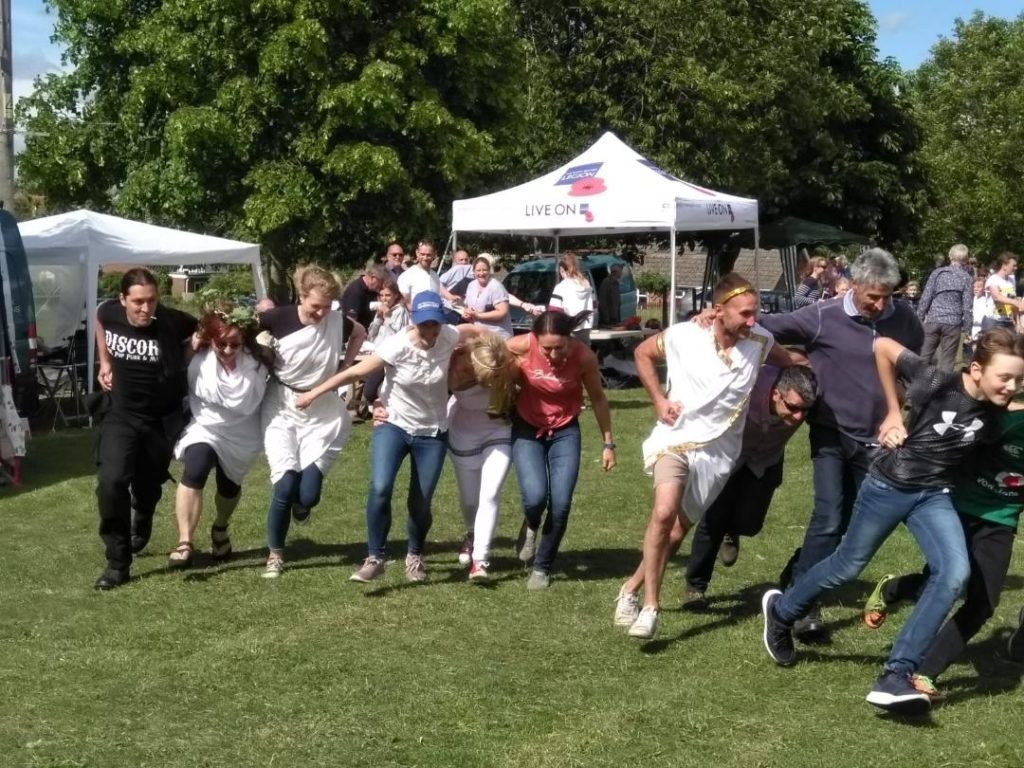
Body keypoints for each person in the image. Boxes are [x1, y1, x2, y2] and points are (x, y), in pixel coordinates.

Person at [761, 328, 1023, 715]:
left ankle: (896, 675)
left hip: (934, 497)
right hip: (888, 486)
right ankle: (782, 612)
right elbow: (881, 347)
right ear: (976, 368)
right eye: (1005, 377)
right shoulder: (933, 380)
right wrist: (891, 412)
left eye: (1020, 379)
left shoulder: (999, 410)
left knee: (953, 574)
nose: (1012, 386)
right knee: (846, 567)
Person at [613, 274, 795, 639]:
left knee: (678, 531)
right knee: (663, 513)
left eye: (754, 313)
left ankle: (629, 589)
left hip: (720, 453)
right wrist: (659, 401)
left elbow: (791, 360)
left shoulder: (759, 341)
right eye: (743, 313)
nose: (751, 320)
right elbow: (642, 353)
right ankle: (651, 606)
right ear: (718, 311)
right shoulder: (685, 335)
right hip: (676, 439)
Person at [759, 248, 924, 642]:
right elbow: (766, 325)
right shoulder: (822, 316)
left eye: (887, 296)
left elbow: (914, 366)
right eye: (873, 296)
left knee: (851, 524)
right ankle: (804, 607)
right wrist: (721, 316)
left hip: (878, 439)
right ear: (854, 283)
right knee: (829, 516)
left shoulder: (904, 319)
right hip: (831, 432)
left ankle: (797, 573)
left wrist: (901, 408)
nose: (880, 305)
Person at [296, 291, 481, 583]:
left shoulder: (449, 335)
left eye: (435, 323)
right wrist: (314, 393)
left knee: (420, 501)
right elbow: (355, 372)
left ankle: (415, 555)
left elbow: (480, 333)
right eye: (424, 324)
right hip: (394, 425)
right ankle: (375, 557)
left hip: (432, 432)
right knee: (380, 487)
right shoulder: (397, 346)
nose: (431, 330)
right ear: (414, 320)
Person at [861, 392, 1024, 699]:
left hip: (1001, 521)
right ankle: (893, 589)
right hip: (959, 508)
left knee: (983, 602)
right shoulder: (1009, 423)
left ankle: (925, 671)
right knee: (942, 583)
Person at [92, 268, 198, 589]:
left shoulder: (173, 320)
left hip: (160, 420)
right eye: (137, 302)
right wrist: (105, 361)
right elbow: (99, 320)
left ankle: (145, 511)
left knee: (148, 485)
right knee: (110, 483)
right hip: (121, 415)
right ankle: (117, 562)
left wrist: (195, 345)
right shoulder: (108, 312)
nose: (145, 308)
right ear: (122, 299)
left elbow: (205, 331)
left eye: (151, 300)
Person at [258, 266, 366, 578]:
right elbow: (243, 332)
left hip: (323, 412)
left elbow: (360, 332)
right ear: (301, 296)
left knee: (308, 496)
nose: (321, 313)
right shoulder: (278, 318)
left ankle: (302, 505)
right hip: (282, 407)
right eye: (314, 305)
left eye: (327, 306)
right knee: (285, 484)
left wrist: (344, 368)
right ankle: (275, 554)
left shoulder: (336, 320)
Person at [683, 365, 818, 605]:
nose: (798, 416)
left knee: (751, 524)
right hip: (731, 457)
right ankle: (695, 587)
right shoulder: (746, 388)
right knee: (713, 520)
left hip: (766, 460)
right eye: (793, 408)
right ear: (776, 393)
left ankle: (732, 531)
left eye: (804, 410)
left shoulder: (806, 402)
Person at [507, 309, 615, 590]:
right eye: (547, 349)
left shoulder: (584, 357)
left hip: (565, 431)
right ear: (535, 340)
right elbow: (492, 355)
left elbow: (599, 400)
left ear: (570, 339)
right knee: (535, 497)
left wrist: (608, 443)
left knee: (561, 503)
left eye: (559, 347)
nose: (554, 355)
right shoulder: (522, 344)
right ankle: (530, 524)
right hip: (527, 427)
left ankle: (542, 567)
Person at [168, 306, 268, 567]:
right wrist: (196, 340)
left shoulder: (258, 361)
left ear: (243, 340)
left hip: (243, 434)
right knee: (195, 468)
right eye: (220, 343)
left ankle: (220, 528)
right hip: (206, 427)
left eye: (233, 344)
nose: (226, 350)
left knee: (228, 487)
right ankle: (184, 542)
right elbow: (171, 363)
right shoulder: (198, 358)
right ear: (210, 340)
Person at [446, 332, 515, 579]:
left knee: (490, 493)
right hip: (462, 431)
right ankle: (471, 533)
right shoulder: (449, 353)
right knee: (469, 500)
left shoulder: (503, 359)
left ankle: (480, 560)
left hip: (498, 429)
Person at [917, 243, 973, 372]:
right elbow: (967, 306)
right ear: (965, 259)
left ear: (950, 256)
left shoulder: (937, 273)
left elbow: (926, 298)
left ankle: (915, 386)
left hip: (933, 319)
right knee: (947, 361)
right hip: (953, 323)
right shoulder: (966, 278)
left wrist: (919, 318)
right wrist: (968, 329)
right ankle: (942, 389)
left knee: (923, 357)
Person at [361, 279, 410, 409]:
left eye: (387, 295)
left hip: (391, 356)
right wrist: (378, 318)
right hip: (377, 352)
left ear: (395, 295)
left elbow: (398, 334)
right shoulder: (382, 309)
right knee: (370, 390)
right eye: (381, 295)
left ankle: (385, 409)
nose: (384, 299)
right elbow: (371, 335)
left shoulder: (400, 311)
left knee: (371, 391)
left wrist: (388, 317)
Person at [548, 252, 595, 345]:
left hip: (568, 330)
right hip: (586, 327)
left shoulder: (561, 287)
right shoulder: (587, 284)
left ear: (561, 270)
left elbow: (554, 311)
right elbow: (595, 306)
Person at [461, 256, 513, 339]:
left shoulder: (496, 286)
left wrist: (478, 315)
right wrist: (467, 315)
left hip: (498, 337)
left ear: (489, 271)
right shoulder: (471, 286)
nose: (481, 273)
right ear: (474, 271)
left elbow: (502, 312)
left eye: (484, 270)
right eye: (478, 270)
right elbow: (469, 308)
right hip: (480, 335)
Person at [341, 261, 387, 329]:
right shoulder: (355, 291)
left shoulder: (372, 289)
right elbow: (351, 321)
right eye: (381, 282)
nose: (381, 286)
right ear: (372, 277)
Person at [982, 252, 1021, 332]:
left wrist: (1018, 323)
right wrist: (1015, 302)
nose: (1016, 268)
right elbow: (997, 297)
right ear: (1004, 265)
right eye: (1013, 266)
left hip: (1008, 321)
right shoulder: (993, 279)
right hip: (993, 321)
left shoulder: (1011, 280)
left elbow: (1013, 301)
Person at [397, 239, 442, 305]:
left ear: (434, 254)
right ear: (417, 253)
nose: (425, 258)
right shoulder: (407, 275)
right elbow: (404, 301)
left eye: (428, 255)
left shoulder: (435, 276)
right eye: (422, 254)